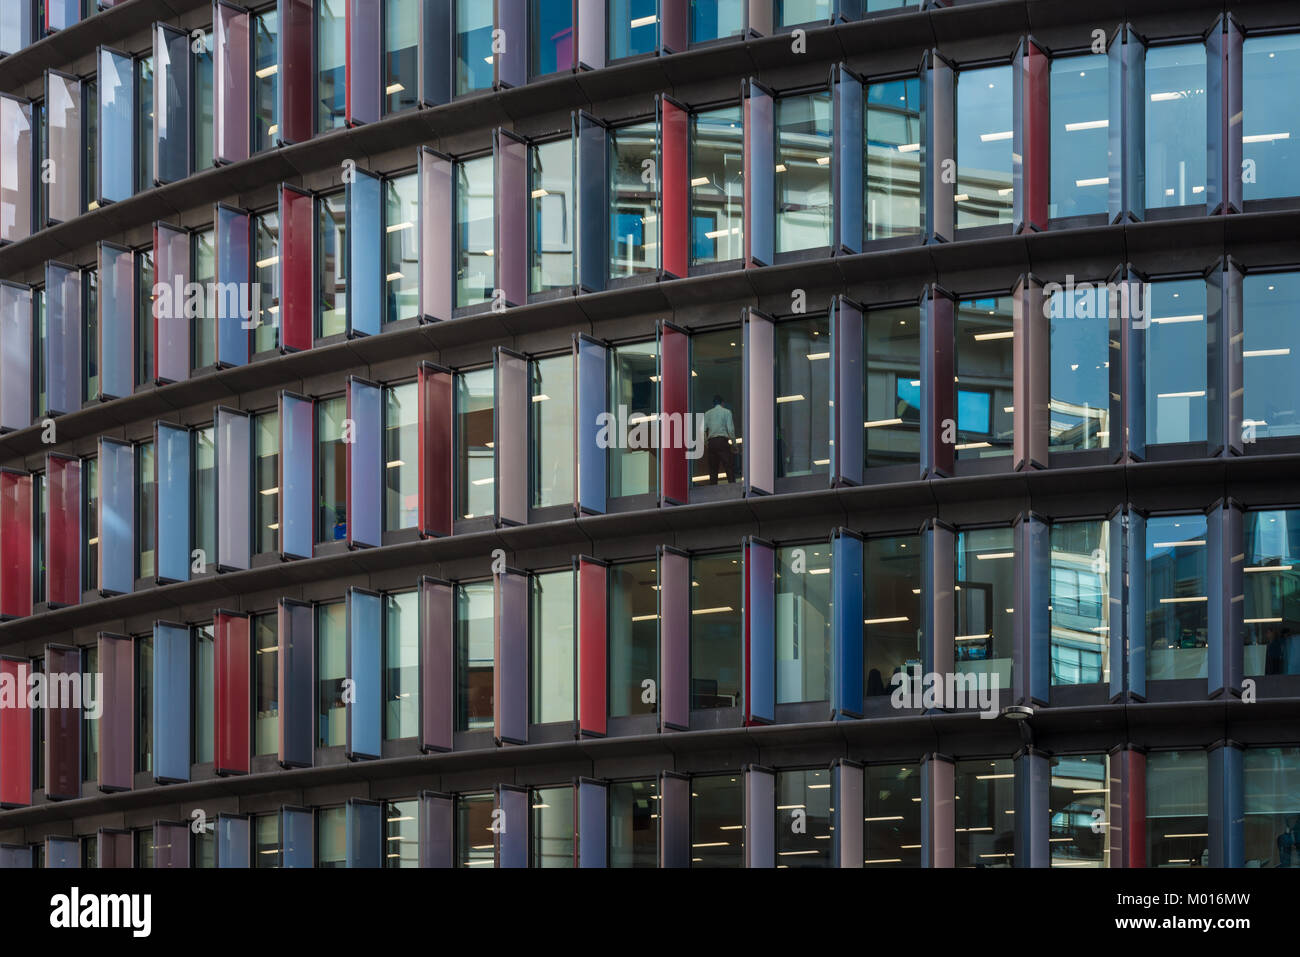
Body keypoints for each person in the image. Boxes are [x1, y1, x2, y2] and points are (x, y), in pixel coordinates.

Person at [700, 394, 736, 484]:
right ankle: (732, 487)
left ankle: (713, 491)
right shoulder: (727, 412)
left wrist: (706, 443)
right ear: (722, 403)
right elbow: (730, 430)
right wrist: (734, 445)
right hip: (722, 441)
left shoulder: (707, 413)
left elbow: (702, 431)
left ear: (713, 404)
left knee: (713, 470)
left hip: (712, 442)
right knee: (729, 466)